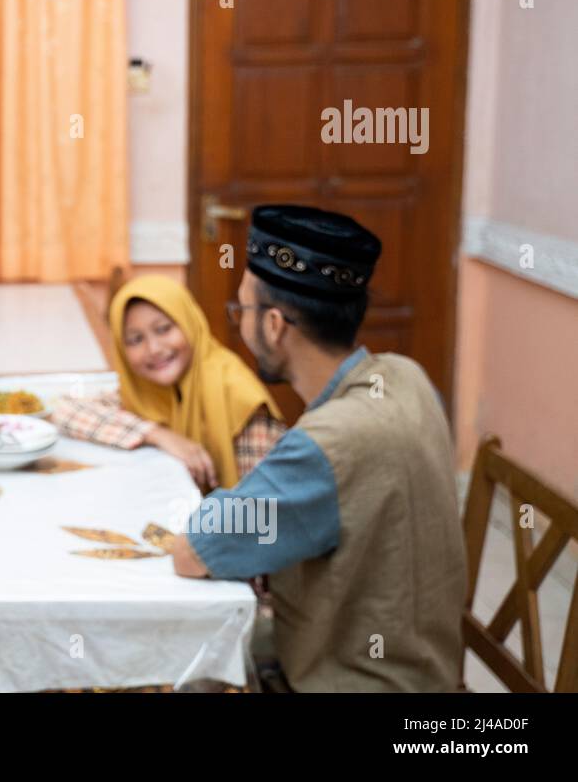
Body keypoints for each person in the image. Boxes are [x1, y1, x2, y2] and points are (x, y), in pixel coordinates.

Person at [170, 205, 466, 692]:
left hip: (358, 678)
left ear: (273, 326)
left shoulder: (325, 447)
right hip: (423, 663)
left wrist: (230, 504)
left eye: (241, 310)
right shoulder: (406, 376)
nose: (239, 323)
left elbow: (193, 551)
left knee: (185, 665)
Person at [52, 275, 284, 489]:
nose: (154, 349)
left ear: (189, 323)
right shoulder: (146, 390)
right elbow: (64, 411)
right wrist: (157, 434)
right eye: (135, 340)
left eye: (164, 329)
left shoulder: (234, 392)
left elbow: (268, 502)